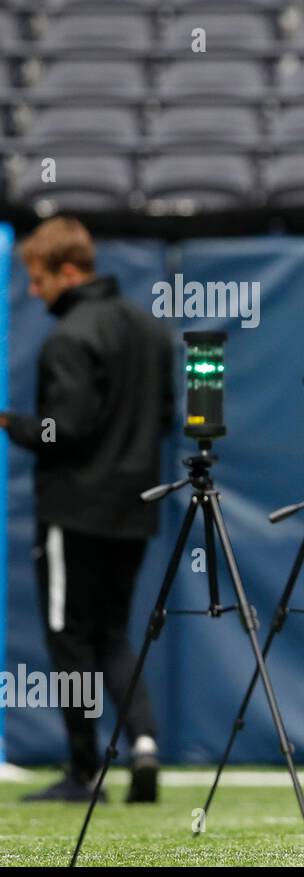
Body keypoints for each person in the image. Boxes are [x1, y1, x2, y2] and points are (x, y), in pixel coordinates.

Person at [1, 217, 174, 803]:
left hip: (74, 512)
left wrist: (13, 423)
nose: (33, 291)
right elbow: (167, 417)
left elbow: (62, 430)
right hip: (134, 510)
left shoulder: (68, 337)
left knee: (71, 640)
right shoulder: (149, 331)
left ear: (67, 271)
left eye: (37, 278)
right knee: (114, 635)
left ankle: (84, 773)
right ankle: (144, 744)